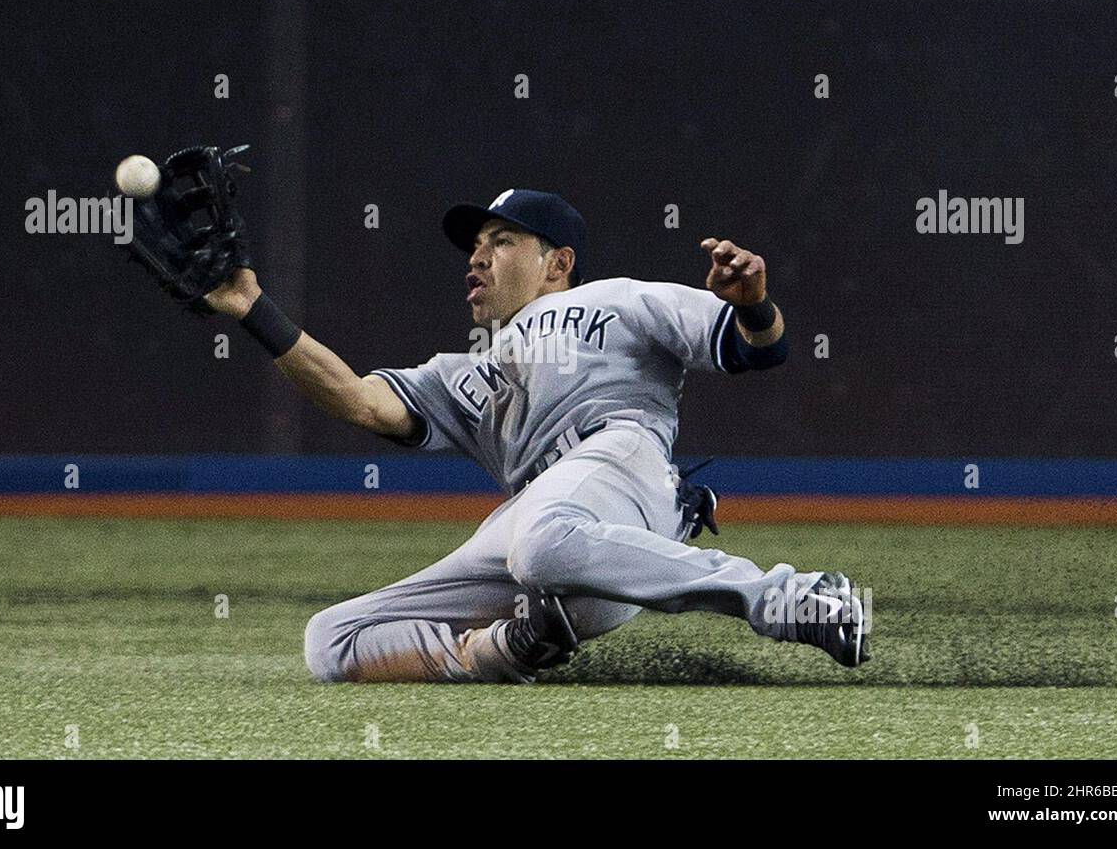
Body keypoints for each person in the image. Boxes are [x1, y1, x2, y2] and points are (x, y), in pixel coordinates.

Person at [207, 188, 869, 683]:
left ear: (559, 262)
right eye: (475, 246)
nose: (478, 256)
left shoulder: (617, 300)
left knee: (542, 542)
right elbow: (355, 400)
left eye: (501, 241)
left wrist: (752, 303)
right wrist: (252, 309)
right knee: (332, 642)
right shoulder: (461, 376)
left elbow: (759, 349)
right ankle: (512, 648)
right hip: (553, 537)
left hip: (621, 468)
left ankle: (788, 596)